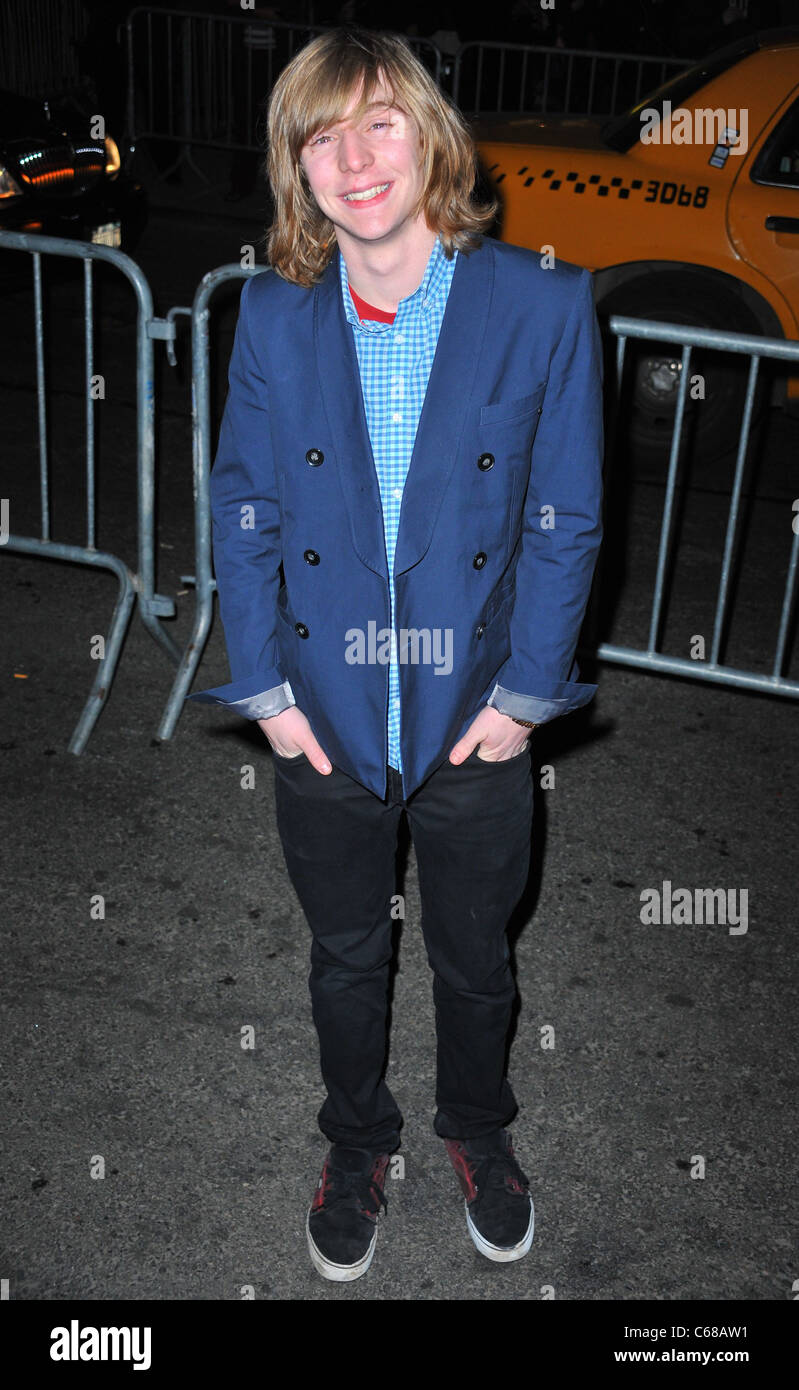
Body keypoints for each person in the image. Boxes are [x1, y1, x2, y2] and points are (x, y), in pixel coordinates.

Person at [188, 24, 604, 1282]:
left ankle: (477, 1127)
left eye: (378, 123)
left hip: (477, 714)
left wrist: (528, 697)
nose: (354, 159)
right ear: (297, 169)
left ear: (429, 137)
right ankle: (356, 1139)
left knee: (478, 958)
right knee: (345, 956)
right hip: (323, 711)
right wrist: (264, 693)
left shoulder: (541, 300)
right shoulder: (271, 314)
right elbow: (245, 504)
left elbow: (563, 513)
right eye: (322, 136)